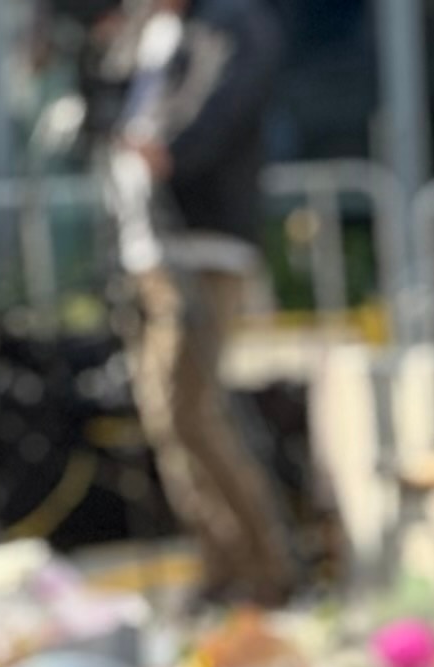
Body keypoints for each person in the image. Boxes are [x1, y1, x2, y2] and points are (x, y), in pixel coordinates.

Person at [107, 0, 296, 612]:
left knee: (186, 406)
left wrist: (169, 150)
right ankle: (223, 563)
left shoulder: (232, 22)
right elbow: (112, 105)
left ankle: (264, 564)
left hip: (203, 243)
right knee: (166, 415)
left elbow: (225, 106)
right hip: (149, 249)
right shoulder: (150, 32)